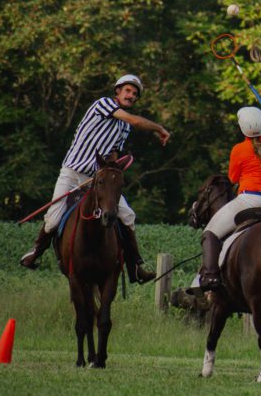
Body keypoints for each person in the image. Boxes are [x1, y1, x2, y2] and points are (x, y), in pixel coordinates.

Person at [19, 74, 170, 283]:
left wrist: (117, 169)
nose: (131, 96)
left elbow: (113, 156)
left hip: (97, 180)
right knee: (53, 219)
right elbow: (134, 121)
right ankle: (35, 251)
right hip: (72, 173)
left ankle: (135, 266)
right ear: (117, 91)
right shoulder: (104, 104)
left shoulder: (123, 128)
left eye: (135, 94)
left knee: (127, 216)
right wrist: (159, 129)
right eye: (128, 91)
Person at [199, 106, 261, 291]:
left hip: (249, 201)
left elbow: (232, 179)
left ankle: (210, 276)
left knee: (210, 233)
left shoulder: (239, 149)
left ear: (242, 128)